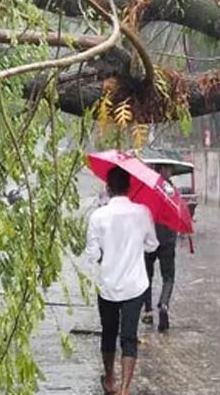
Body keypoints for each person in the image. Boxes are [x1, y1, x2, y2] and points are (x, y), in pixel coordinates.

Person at [86, 166, 159, 395]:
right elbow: (152, 245)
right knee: (129, 336)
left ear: (108, 189)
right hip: (134, 286)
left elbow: (93, 254)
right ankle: (126, 389)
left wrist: (107, 255)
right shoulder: (143, 212)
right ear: (129, 187)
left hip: (107, 284)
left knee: (108, 333)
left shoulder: (97, 216)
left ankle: (109, 379)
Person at [142, 164, 178, 332]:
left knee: (146, 276)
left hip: (149, 239)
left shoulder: (147, 188)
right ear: (163, 170)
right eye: (169, 169)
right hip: (168, 240)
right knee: (168, 277)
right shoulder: (172, 190)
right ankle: (164, 304)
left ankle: (148, 311)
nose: (171, 172)